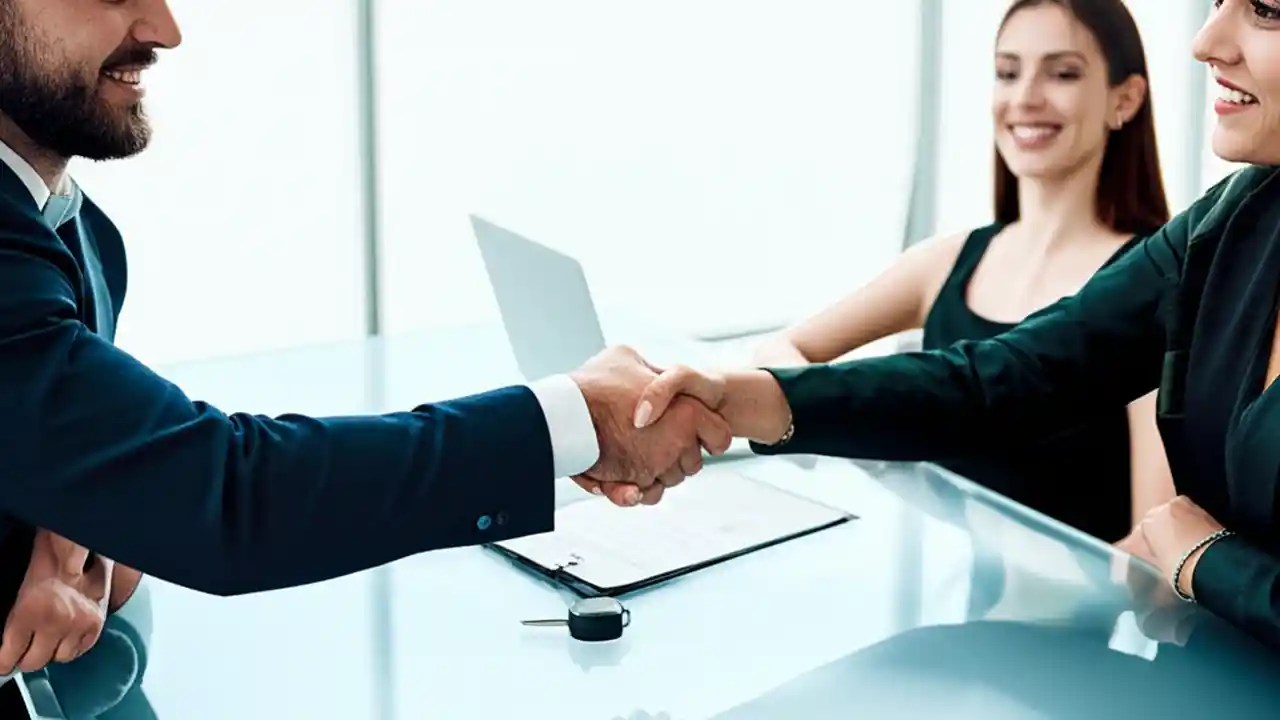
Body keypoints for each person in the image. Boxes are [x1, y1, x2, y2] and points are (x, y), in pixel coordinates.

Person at [0, 0, 728, 675]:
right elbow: (221, 493)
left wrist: (86, 528)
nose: (164, 28)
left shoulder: (72, 222)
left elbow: (107, 463)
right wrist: (581, 420)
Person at [633, 0, 1280, 649]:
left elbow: (1160, 543)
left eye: (1268, 10)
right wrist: (738, 399)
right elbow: (1000, 381)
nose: (1205, 42)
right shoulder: (1228, 224)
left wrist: (1205, 560)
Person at [753, 0, 1173, 543]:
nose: (1025, 97)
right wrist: (865, 437)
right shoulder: (946, 263)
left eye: (1062, 73)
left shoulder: (1145, 291)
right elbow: (779, 354)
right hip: (938, 612)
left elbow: (1153, 546)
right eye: (1007, 72)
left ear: (1125, 99)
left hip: (1070, 624)